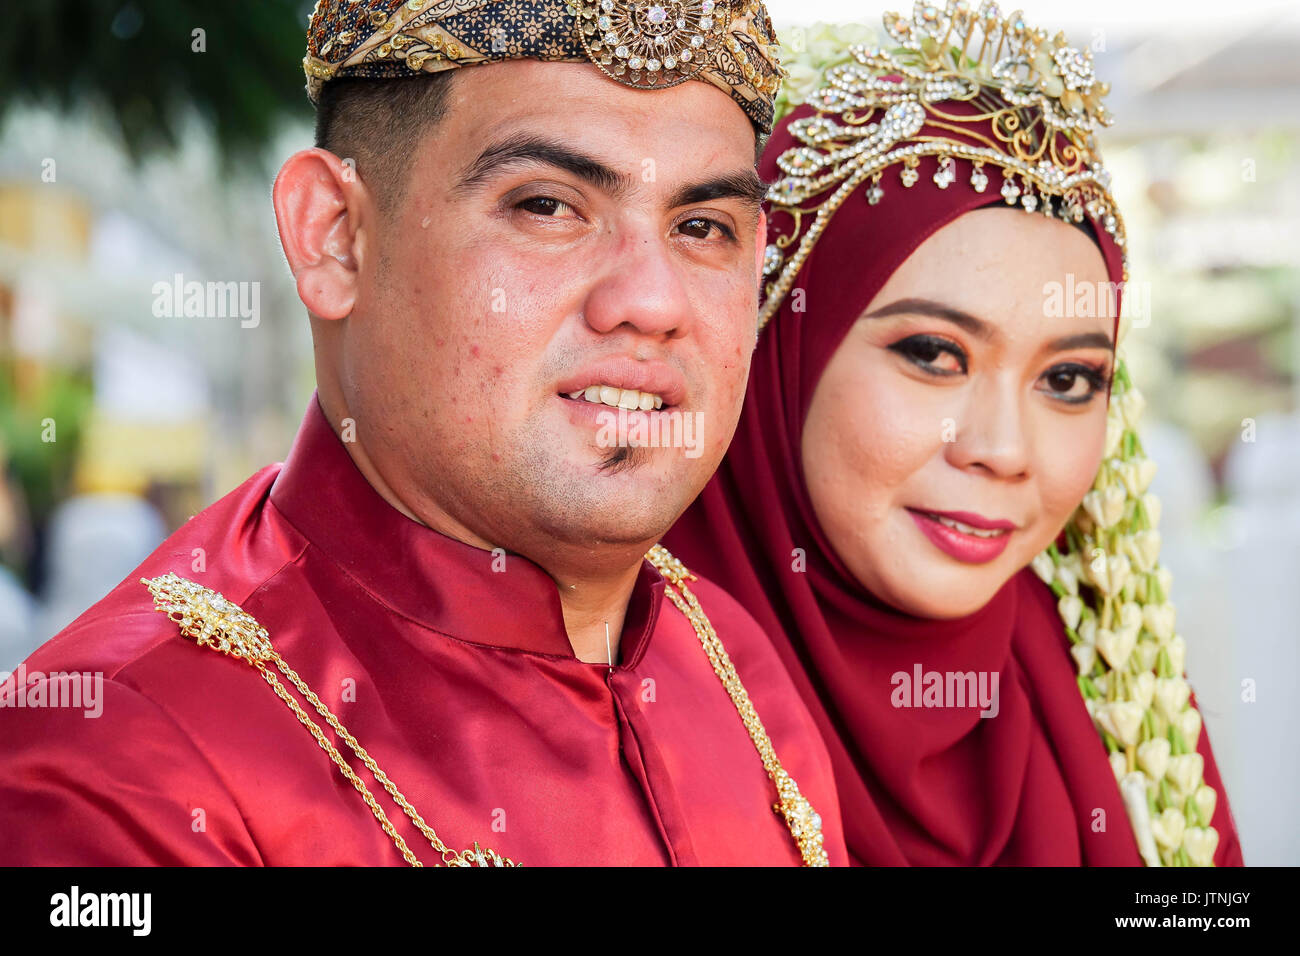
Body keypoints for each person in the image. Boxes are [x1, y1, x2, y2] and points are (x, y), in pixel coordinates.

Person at [0, 0, 846, 867]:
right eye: (548, 206)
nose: (653, 302)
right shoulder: (117, 767)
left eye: (702, 227)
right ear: (334, 237)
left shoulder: (735, 668)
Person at [665, 4, 1244, 866]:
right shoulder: (617, 694)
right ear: (776, 345)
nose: (1003, 449)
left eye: (1067, 380)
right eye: (934, 353)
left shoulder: (1114, 698)